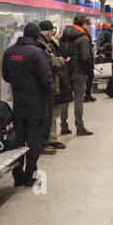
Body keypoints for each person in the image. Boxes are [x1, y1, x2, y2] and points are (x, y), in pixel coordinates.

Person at [2, 22, 54, 186]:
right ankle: (30, 176)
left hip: (18, 103)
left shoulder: (9, 52)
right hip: (36, 104)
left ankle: (18, 175)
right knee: (33, 142)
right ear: (37, 35)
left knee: (19, 141)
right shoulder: (37, 53)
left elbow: (6, 77)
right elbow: (46, 79)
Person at [59, 14, 94, 135]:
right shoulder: (83, 38)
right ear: (84, 24)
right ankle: (80, 127)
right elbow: (85, 57)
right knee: (78, 99)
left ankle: (64, 126)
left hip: (65, 70)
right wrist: (89, 70)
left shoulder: (65, 34)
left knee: (65, 99)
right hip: (79, 72)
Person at [38, 21, 68, 153]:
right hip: (48, 83)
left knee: (54, 112)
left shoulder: (46, 43)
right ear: (49, 32)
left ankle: (51, 139)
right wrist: (62, 60)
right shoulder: (42, 45)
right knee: (50, 113)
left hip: (51, 82)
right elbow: (53, 62)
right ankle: (48, 140)